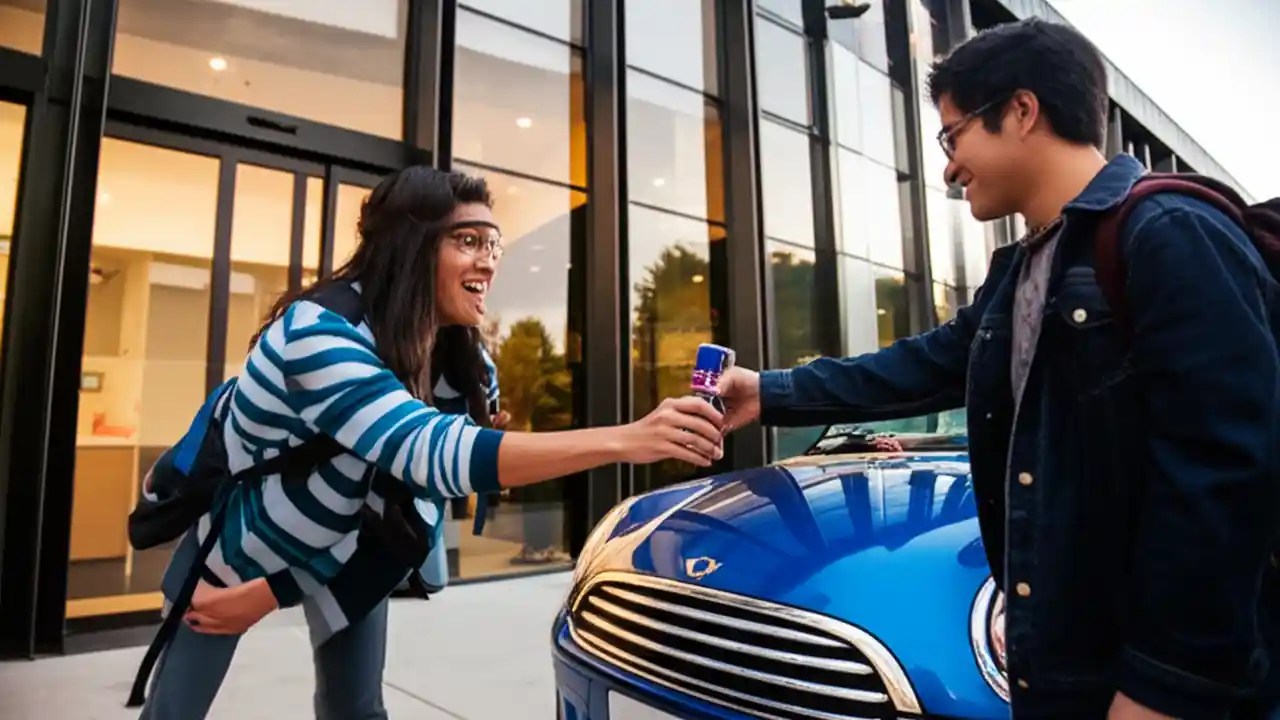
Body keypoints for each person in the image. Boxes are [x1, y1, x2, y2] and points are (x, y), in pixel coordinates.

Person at [717, 17, 1279, 720]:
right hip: (1067, 673)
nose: (948, 165)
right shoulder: (1020, 274)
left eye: (954, 135)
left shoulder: (1171, 233)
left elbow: (1224, 481)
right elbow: (918, 366)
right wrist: (766, 392)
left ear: (1021, 111)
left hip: (1157, 693)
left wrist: (1164, 688)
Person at [138, 165, 724, 719]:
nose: (489, 263)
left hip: (349, 545)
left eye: (493, 245)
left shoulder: (460, 364)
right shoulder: (315, 334)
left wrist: (280, 592)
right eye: (468, 241)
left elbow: (414, 511)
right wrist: (629, 439)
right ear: (411, 246)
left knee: (357, 710)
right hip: (240, 539)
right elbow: (433, 452)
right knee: (175, 710)